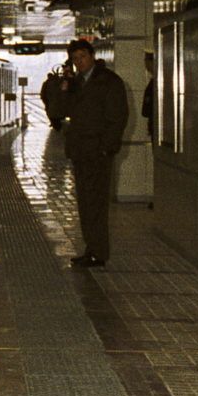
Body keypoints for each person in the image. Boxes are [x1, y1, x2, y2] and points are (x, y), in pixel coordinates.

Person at [58, 37, 127, 268]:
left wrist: (106, 148)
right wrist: (65, 86)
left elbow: (118, 118)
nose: (79, 62)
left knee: (96, 203)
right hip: (80, 152)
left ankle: (98, 252)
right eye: (75, 59)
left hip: (98, 152)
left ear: (92, 56)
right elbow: (60, 111)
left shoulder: (108, 81)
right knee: (86, 204)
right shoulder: (76, 83)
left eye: (83, 57)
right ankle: (92, 249)